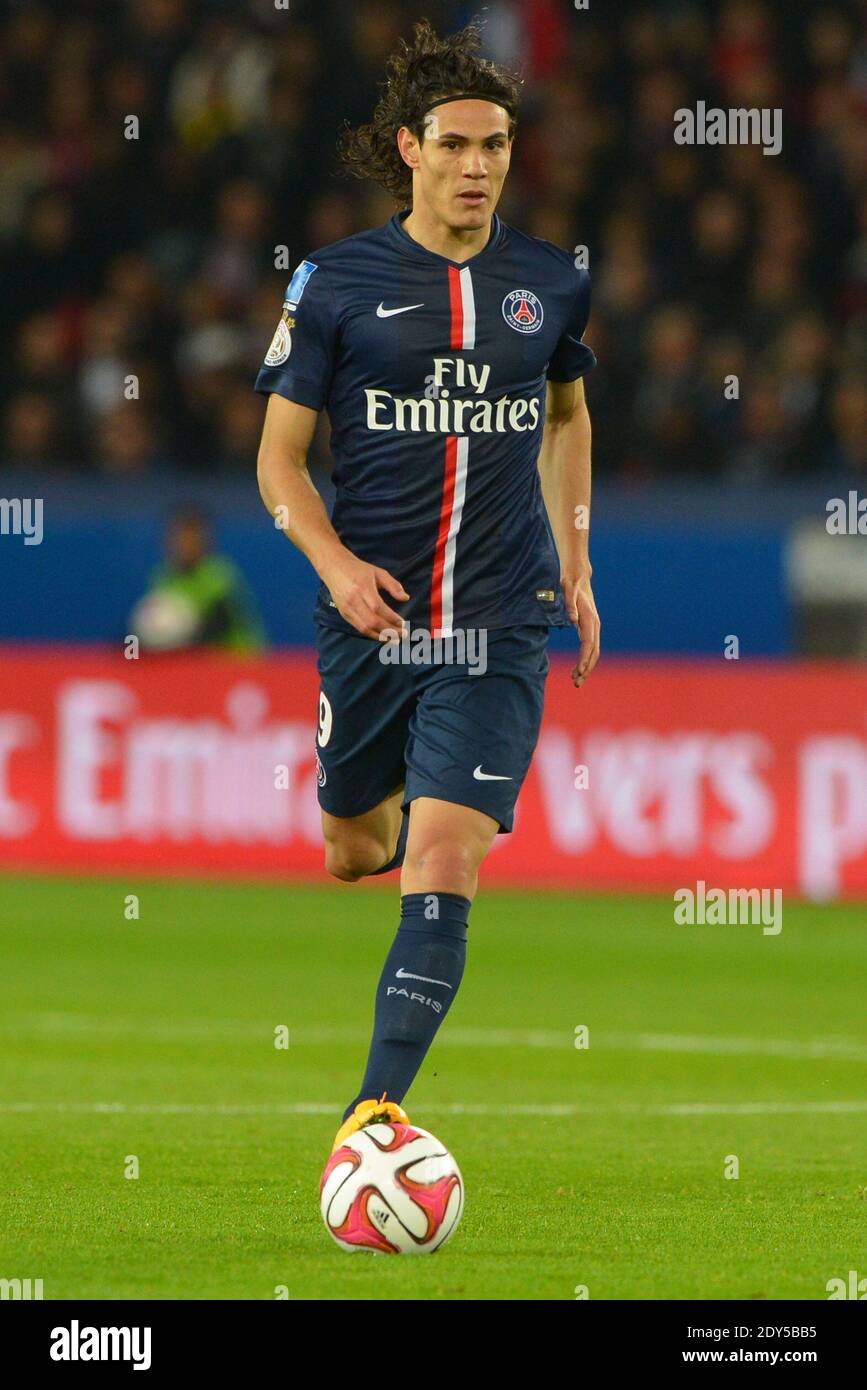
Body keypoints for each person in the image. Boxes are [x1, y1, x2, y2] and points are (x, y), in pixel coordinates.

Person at [255, 18, 600, 1156]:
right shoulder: (337, 283)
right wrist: (338, 565)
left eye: (495, 145)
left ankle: (374, 1109)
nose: (477, 167)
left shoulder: (549, 281)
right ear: (409, 148)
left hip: (502, 621)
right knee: (356, 849)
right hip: (376, 619)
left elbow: (566, 411)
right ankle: (412, 792)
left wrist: (579, 563)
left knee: (445, 854)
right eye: (454, 144)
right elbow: (278, 461)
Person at [131, 505, 265, 652]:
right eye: (179, 537)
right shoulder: (162, 576)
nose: (185, 544)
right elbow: (151, 621)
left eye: (192, 538)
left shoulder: (219, 575)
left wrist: (172, 635)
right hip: (187, 662)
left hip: (234, 661)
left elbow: (219, 624)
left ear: (205, 540)